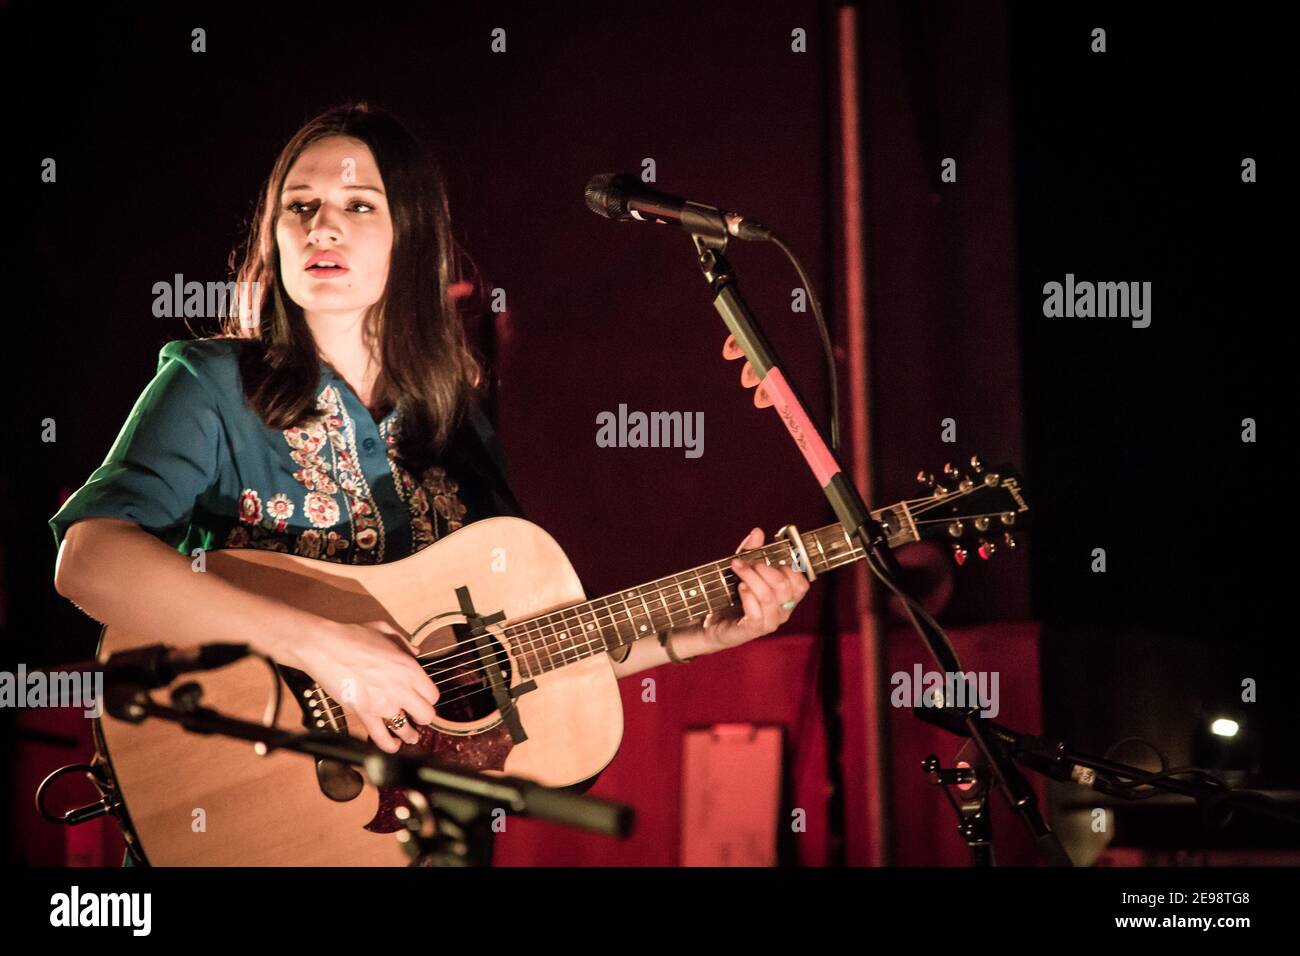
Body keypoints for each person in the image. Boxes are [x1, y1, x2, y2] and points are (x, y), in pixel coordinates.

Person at [48, 102, 810, 864]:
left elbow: (516, 649)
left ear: (410, 235)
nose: (323, 227)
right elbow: (89, 559)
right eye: (300, 207)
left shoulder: (451, 418)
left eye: (358, 206)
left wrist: (697, 636)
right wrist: (327, 649)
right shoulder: (211, 383)